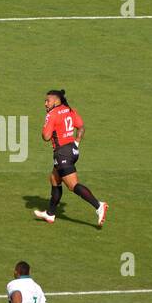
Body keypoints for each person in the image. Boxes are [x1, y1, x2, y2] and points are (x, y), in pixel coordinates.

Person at [34, 89, 109, 227]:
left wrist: (47, 123)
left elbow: (46, 137)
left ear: (56, 101)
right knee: (54, 179)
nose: (45, 104)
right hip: (72, 150)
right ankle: (50, 214)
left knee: (72, 185)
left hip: (62, 153)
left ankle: (99, 205)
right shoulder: (70, 110)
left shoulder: (52, 114)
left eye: (47, 101)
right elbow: (81, 127)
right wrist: (77, 142)